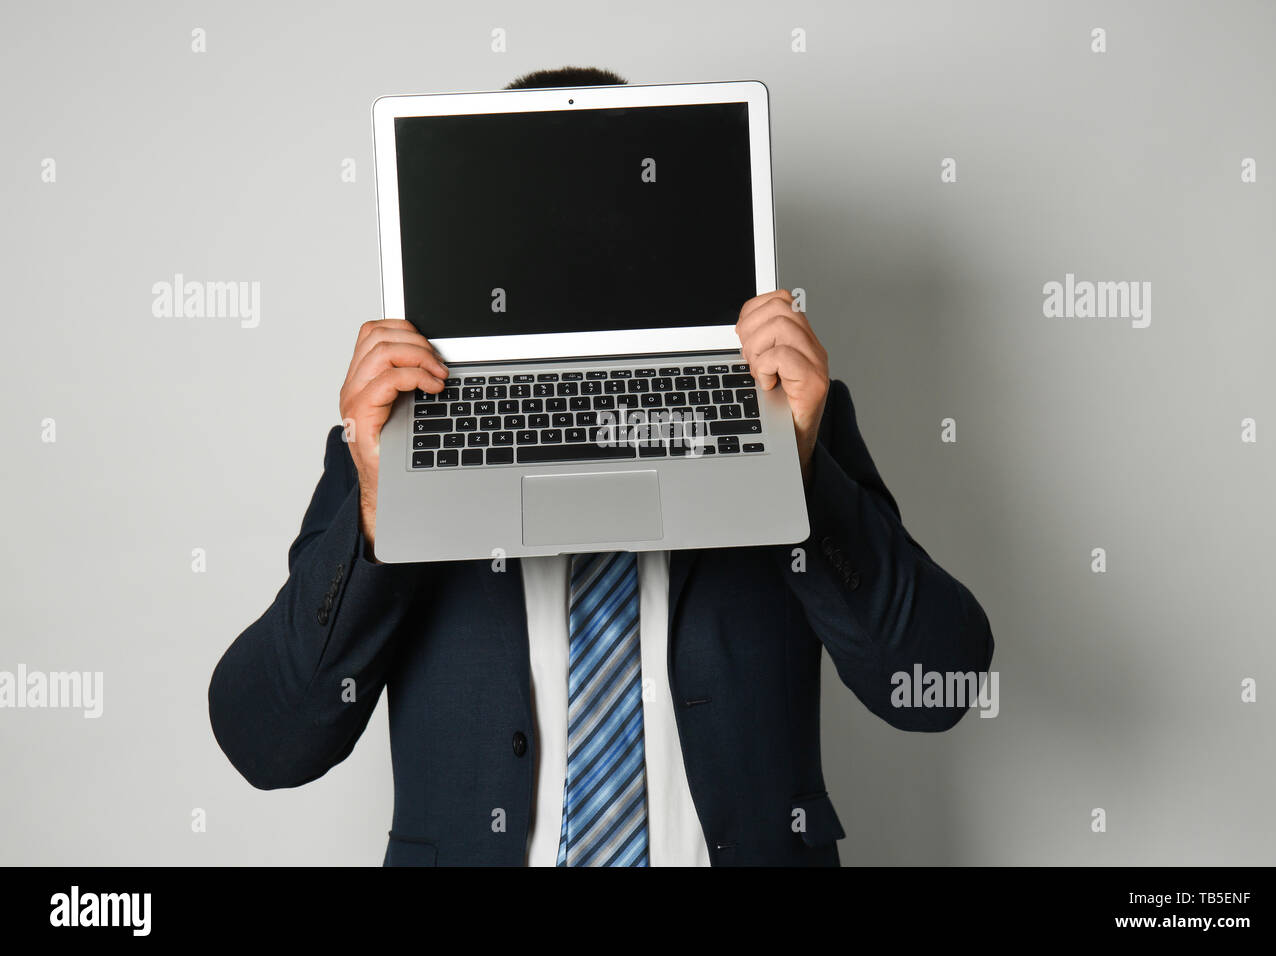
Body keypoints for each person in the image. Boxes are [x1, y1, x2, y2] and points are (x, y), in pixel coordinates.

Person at [208, 67, 995, 867]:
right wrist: (379, 506)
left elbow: (940, 684)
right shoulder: (385, 453)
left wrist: (792, 472)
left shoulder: (799, 426)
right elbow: (265, 742)